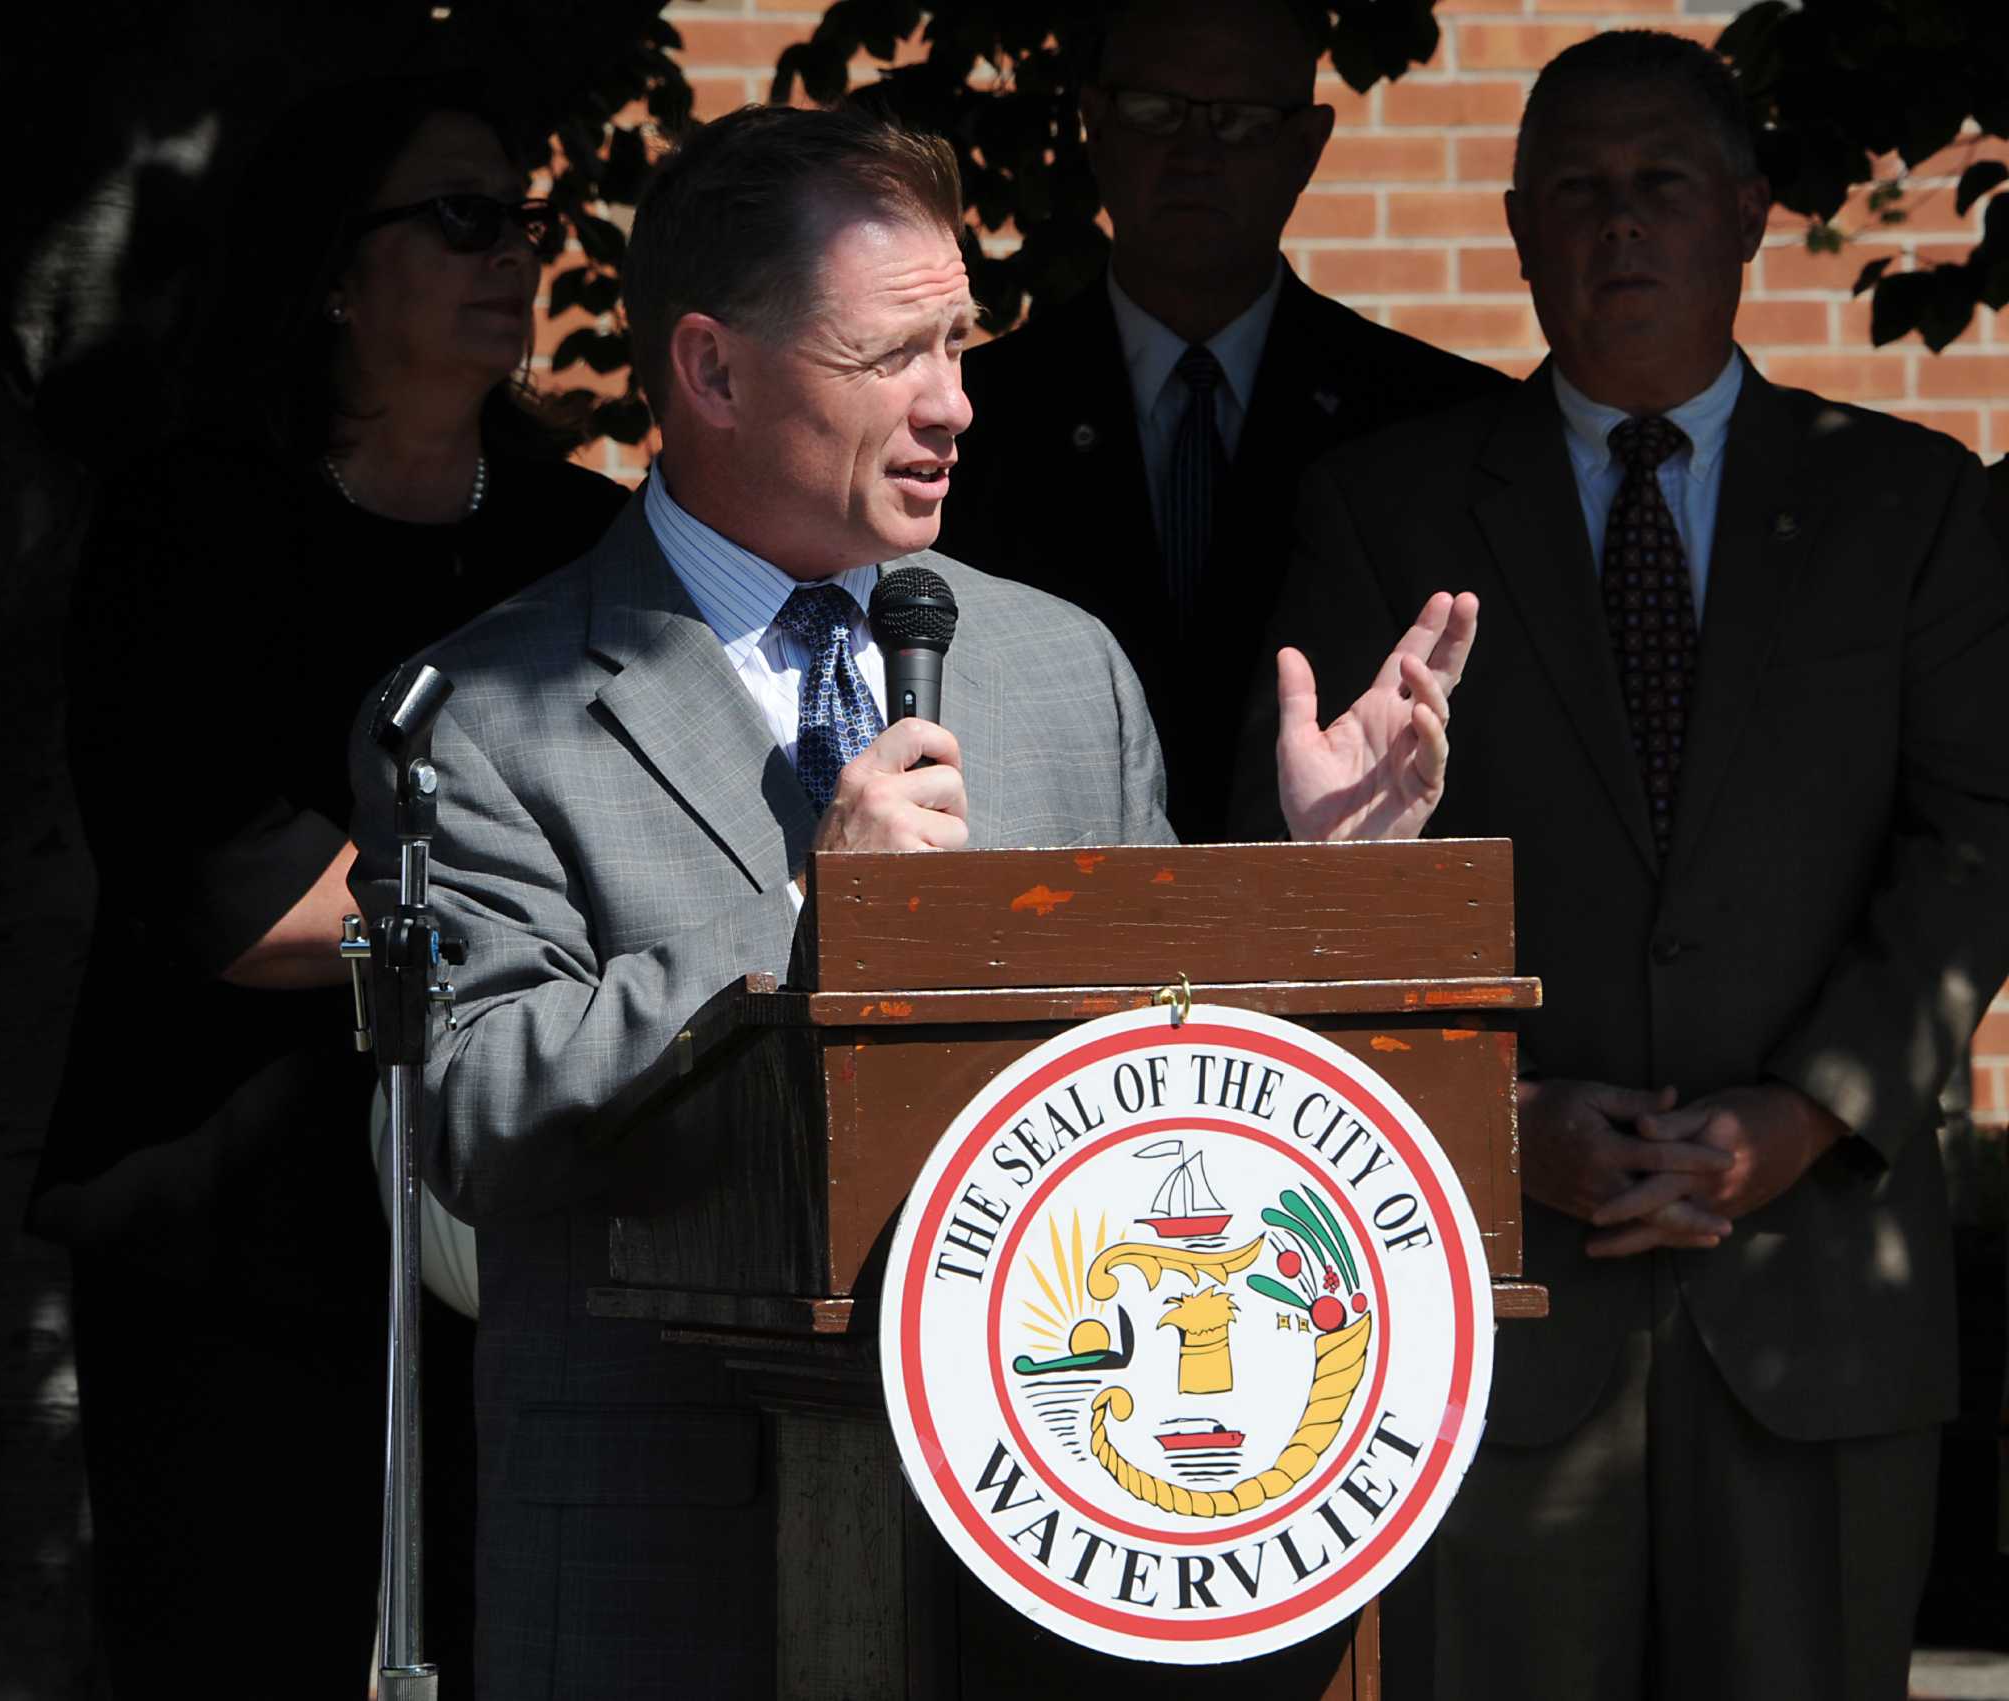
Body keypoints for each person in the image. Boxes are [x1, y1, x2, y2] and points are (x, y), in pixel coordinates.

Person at [347, 101, 1477, 1699]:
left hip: (1044, 1558)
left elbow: (1163, 1099)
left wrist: (1322, 902)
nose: (957, 403)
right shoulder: (477, 708)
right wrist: (815, 919)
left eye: (962, 344)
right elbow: (462, 1113)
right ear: (713, 370)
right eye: (896, 357)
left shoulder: (1057, 667)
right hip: (667, 1565)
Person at [1232, 30, 2009, 1701]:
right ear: (1514, 229)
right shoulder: (1383, 510)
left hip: (1812, 1307)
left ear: (1743, 215)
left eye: (1659, 184)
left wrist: (1806, 1111)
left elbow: (1975, 843)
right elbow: (1298, 880)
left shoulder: (1909, 505)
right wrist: (1488, 1126)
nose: (1618, 226)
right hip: (1493, 1303)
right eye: (1574, 192)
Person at [29, 76, 628, 1695]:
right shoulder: (192, 521)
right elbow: (254, 906)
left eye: (520, 219)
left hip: (517, 1218)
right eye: (457, 218)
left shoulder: (584, 547)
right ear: (335, 272)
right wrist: (547, 907)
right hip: (234, 1235)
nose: (508, 252)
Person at [937, 0, 1508, 841]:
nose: (1195, 153)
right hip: (1045, 922)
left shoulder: (1436, 418)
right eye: (1156, 111)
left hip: (1336, 926)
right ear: (1093, 122)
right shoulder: (963, 418)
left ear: (1308, 146)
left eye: (1239, 121)